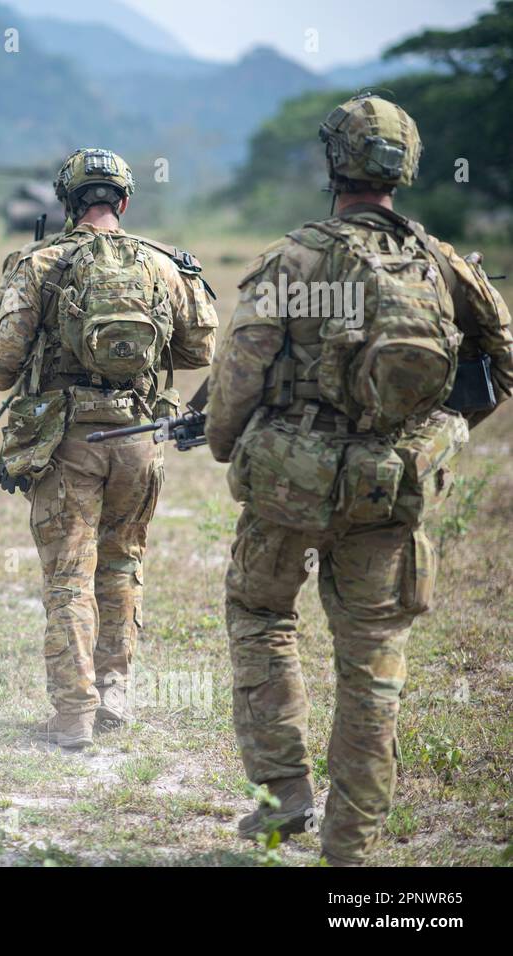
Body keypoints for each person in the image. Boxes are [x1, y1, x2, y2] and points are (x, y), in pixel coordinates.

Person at [205, 94, 513, 865]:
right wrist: (433, 436)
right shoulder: (441, 262)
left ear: (333, 163)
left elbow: (237, 378)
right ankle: (351, 851)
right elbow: (501, 358)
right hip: (391, 494)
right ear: (403, 167)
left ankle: (284, 793)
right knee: (373, 669)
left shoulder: (294, 258)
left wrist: (220, 441)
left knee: (261, 616)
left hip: (286, 490)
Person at [0, 148, 218, 749]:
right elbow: (201, 353)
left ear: (67, 202)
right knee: (122, 563)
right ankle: (115, 689)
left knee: (69, 576)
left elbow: (0, 367)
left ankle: (72, 716)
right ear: (124, 202)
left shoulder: (41, 264)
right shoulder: (163, 264)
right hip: (139, 439)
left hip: (68, 440)